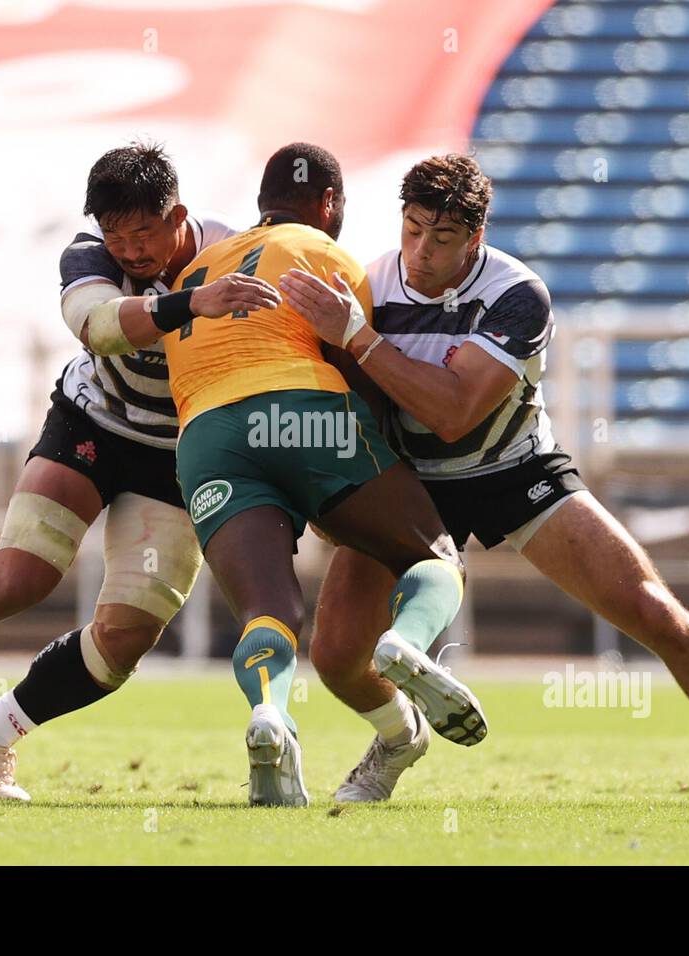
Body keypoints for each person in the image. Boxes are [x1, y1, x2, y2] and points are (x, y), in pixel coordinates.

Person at [280, 153, 689, 807]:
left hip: (516, 471)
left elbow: (455, 414)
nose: (422, 251)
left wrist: (360, 339)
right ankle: (398, 737)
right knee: (337, 656)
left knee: (655, 613)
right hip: (410, 483)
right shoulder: (367, 288)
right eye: (412, 228)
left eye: (443, 237)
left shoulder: (516, 294)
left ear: (475, 238)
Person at [0, 143, 270, 800]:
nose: (128, 249)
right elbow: (97, 326)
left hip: (180, 454)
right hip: (93, 423)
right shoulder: (87, 254)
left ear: (178, 214)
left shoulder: (237, 254)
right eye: (116, 234)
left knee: (122, 644)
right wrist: (191, 305)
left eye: (144, 232)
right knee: (18, 576)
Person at [87, 143, 484, 808]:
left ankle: (270, 713)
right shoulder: (324, 252)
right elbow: (359, 365)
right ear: (329, 204)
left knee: (266, 610)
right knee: (433, 555)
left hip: (207, 439)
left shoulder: (199, 271)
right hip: (305, 413)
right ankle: (406, 644)